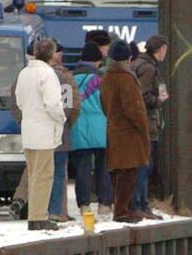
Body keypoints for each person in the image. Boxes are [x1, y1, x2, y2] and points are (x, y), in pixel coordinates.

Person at [13, 37, 66, 231]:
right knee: (44, 176)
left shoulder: (25, 72)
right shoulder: (47, 73)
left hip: (28, 130)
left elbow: (19, 100)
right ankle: (38, 216)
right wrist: (61, 118)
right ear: (51, 54)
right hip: (44, 131)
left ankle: (35, 216)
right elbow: (52, 103)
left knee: (34, 174)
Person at [99, 38, 149, 223]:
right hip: (129, 133)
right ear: (128, 60)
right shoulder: (126, 79)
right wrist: (143, 127)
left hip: (113, 129)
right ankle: (121, 210)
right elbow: (134, 108)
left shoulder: (106, 78)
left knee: (118, 172)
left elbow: (104, 105)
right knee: (129, 172)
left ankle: (120, 208)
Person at [69, 42, 113, 219]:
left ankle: (84, 206)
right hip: (100, 126)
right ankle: (104, 205)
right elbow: (108, 102)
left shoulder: (71, 78)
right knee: (103, 167)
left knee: (82, 169)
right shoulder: (101, 78)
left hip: (78, 126)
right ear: (97, 60)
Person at [132, 35, 167, 211]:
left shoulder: (137, 63)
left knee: (142, 163)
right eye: (164, 50)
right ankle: (141, 204)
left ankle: (140, 202)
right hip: (147, 122)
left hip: (139, 122)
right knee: (146, 164)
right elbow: (144, 97)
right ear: (158, 50)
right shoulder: (148, 69)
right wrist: (159, 100)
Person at [48, 44, 81, 223]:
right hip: (59, 133)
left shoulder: (26, 75)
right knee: (59, 172)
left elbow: (17, 104)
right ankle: (55, 210)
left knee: (41, 174)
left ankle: (40, 211)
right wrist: (65, 122)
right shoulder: (63, 77)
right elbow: (71, 105)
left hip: (36, 134)